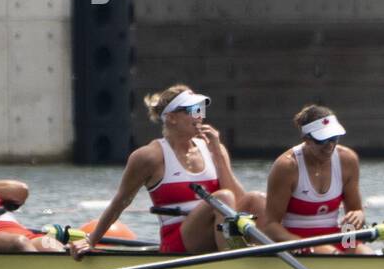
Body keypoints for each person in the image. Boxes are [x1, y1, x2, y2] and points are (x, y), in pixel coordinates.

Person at [69, 85, 263, 258]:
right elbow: (121, 202)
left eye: (201, 110)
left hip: (214, 230)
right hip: (178, 241)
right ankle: (234, 263)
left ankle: (277, 253)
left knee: (256, 199)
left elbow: (238, 201)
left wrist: (218, 155)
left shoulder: (213, 148)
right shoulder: (149, 156)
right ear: (171, 118)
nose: (200, 116)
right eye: (193, 110)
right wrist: (91, 240)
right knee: (222, 197)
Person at [256, 105, 372, 254]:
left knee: (368, 254)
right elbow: (270, 226)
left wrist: (353, 235)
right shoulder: (287, 166)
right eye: (322, 140)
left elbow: (355, 212)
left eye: (334, 138)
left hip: (335, 237)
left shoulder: (348, 160)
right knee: (330, 253)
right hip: (296, 239)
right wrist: (297, 243)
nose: (329, 146)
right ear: (306, 139)